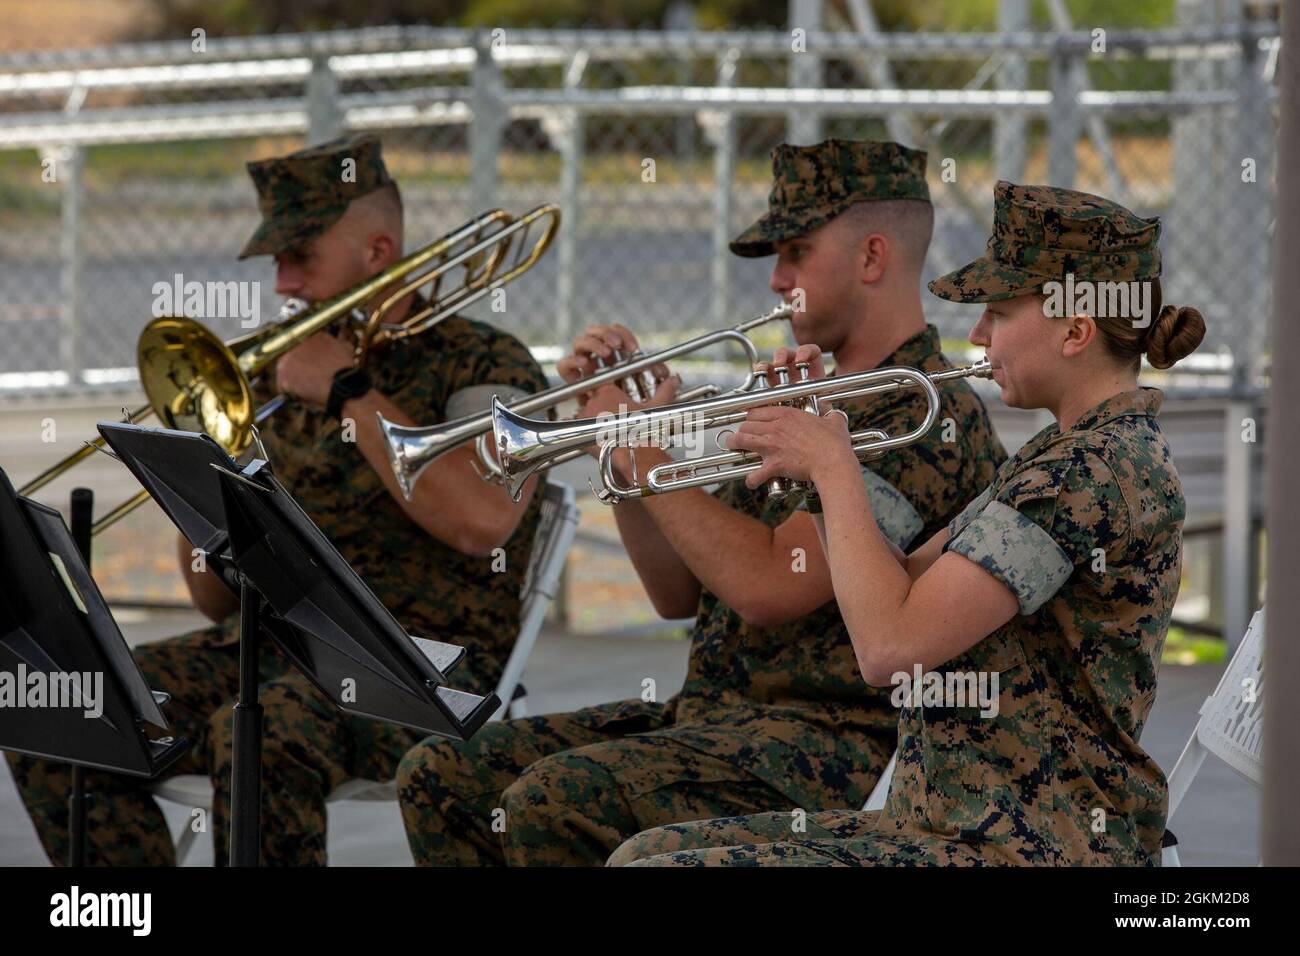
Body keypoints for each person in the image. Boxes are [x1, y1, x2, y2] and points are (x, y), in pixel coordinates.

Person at [396, 138, 1007, 866]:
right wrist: (619, 457)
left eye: (796, 254)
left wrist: (638, 446)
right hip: (713, 721)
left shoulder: (916, 409)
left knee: (552, 802)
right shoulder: (801, 388)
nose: (777, 281)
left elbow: (769, 586)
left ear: (872, 258)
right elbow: (675, 591)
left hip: (825, 745)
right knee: (442, 775)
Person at [610, 180, 1204, 867]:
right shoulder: (1063, 453)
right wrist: (824, 454)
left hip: (1029, 842)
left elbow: (888, 650)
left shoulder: (1089, 474)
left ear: (1076, 329)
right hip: (951, 822)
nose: (978, 335)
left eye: (999, 313)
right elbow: (901, 584)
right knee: (642, 856)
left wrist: (833, 471)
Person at [5, 134, 547, 866]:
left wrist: (351, 393)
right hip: (267, 649)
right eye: (276, 261)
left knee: (255, 728)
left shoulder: (486, 362)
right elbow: (213, 602)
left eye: (301, 257)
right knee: (61, 700)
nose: (284, 283)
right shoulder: (275, 383)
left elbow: (483, 523)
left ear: (377, 252)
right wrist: (200, 471)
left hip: (426, 664)